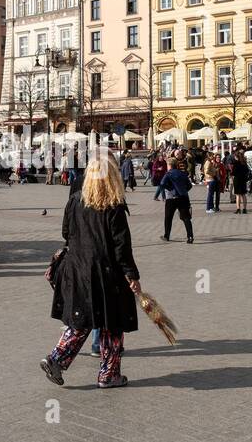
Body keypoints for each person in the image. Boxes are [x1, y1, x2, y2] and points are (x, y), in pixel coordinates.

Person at [39, 151, 140, 389]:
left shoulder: (75, 200)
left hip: (77, 269)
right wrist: (132, 275)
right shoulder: (114, 204)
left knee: (81, 320)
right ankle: (108, 374)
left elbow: (66, 233)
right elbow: (121, 246)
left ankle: (56, 358)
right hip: (107, 274)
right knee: (111, 324)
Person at [158, 156, 194, 243]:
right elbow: (189, 185)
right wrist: (184, 191)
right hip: (183, 197)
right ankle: (190, 237)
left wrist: (171, 189)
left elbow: (162, 184)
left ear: (169, 165)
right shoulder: (182, 173)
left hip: (171, 198)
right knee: (186, 218)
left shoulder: (168, 174)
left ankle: (167, 235)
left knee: (168, 217)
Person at [230, 147, 249, 214]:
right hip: (243, 180)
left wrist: (231, 172)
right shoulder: (244, 163)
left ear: (236, 157)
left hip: (237, 180)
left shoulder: (236, 163)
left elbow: (233, 173)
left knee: (238, 195)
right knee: (243, 195)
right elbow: (247, 171)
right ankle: (244, 209)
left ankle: (238, 209)